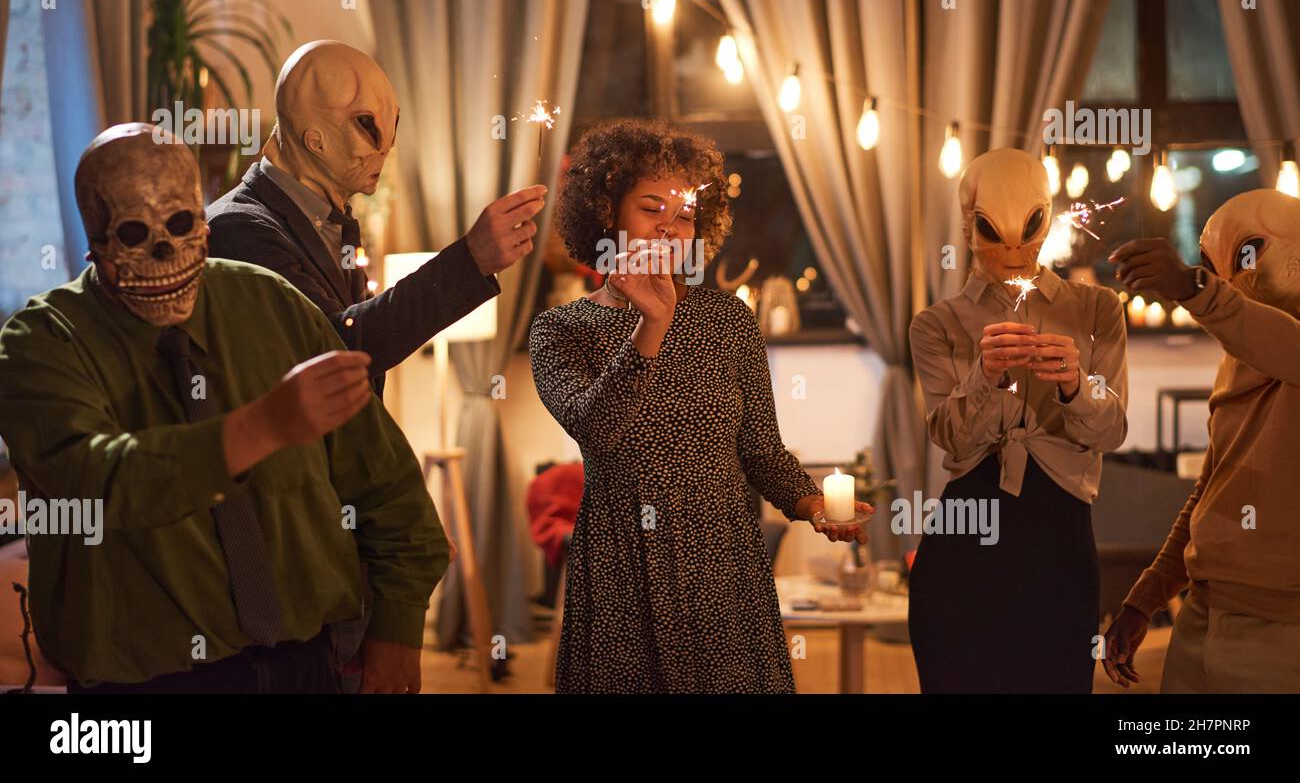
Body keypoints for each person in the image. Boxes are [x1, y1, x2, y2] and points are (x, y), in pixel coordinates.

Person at [0, 123, 447, 693]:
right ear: (95, 244)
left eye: (181, 225)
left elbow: (383, 479)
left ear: (203, 227)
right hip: (145, 686)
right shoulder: (42, 343)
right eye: (134, 234)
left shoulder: (271, 304)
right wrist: (259, 428)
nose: (163, 252)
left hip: (304, 667)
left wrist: (398, 628)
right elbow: (94, 481)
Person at [527, 118, 872, 693]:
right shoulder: (561, 329)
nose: (670, 227)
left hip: (724, 559)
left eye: (684, 215)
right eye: (651, 208)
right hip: (623, 563)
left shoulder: (728, 320)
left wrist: (814, 505)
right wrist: (651, 326)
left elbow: (760, 450)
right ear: (608, 214)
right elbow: (599, 429)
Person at [207, 40, 546, 396]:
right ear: (315, 140)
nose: (387, 147)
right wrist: (469, 260)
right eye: (368, 128)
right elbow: (336, 351)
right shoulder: (239, 230)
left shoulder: (327, 219)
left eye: (392, 126)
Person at [908, 148, 1128, 692]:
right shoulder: (936, 325)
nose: (1014, 251)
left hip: (1059, 550)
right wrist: (984, 378)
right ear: (968, 227)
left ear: (1047, 221)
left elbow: (1112, 430)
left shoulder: (1097, 310)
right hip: (964, 549)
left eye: (1029, 230)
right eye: (992, 232)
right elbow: (950, 440)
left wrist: (1076, 386)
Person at [1105, 189, 1300, 692]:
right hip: (1203, 612)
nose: (1231, 281)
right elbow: (1211, 488)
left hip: (1282, 631)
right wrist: (1146, 596)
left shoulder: (1277, 348)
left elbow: (1277, 342)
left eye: (1247, 255)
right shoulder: (1236, 364)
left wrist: (1196, 289)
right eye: (1215, 267)